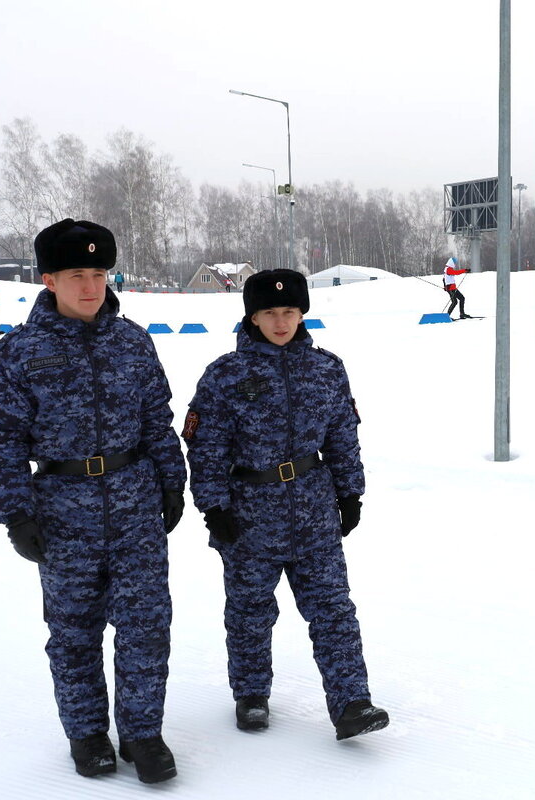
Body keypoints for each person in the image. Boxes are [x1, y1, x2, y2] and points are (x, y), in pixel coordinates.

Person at [0, 219, 187, 784]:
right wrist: (16, 514)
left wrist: (171, 481)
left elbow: (158, 421)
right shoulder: (18, 353)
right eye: (76, 275)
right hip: (63, 510)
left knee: (146, 625)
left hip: (136, 502)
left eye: (99, 273)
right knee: (74, 631)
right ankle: (87, 733)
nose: (91, 287)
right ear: (49, 279)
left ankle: (143, 734)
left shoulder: (133, 341)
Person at [183, 268, 389, 742]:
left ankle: (352, 701)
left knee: (333, 608)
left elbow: (342, 436)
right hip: (249, 513)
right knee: (251, 610)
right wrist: (213, 508)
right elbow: (206, 446)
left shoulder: (326, 368)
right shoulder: (225, 374)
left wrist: (349, 493)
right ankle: (251, 694)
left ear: (302, 314)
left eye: (290, 312)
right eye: (270, 313)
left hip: (314, 509)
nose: (281, 322)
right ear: (252, 317)